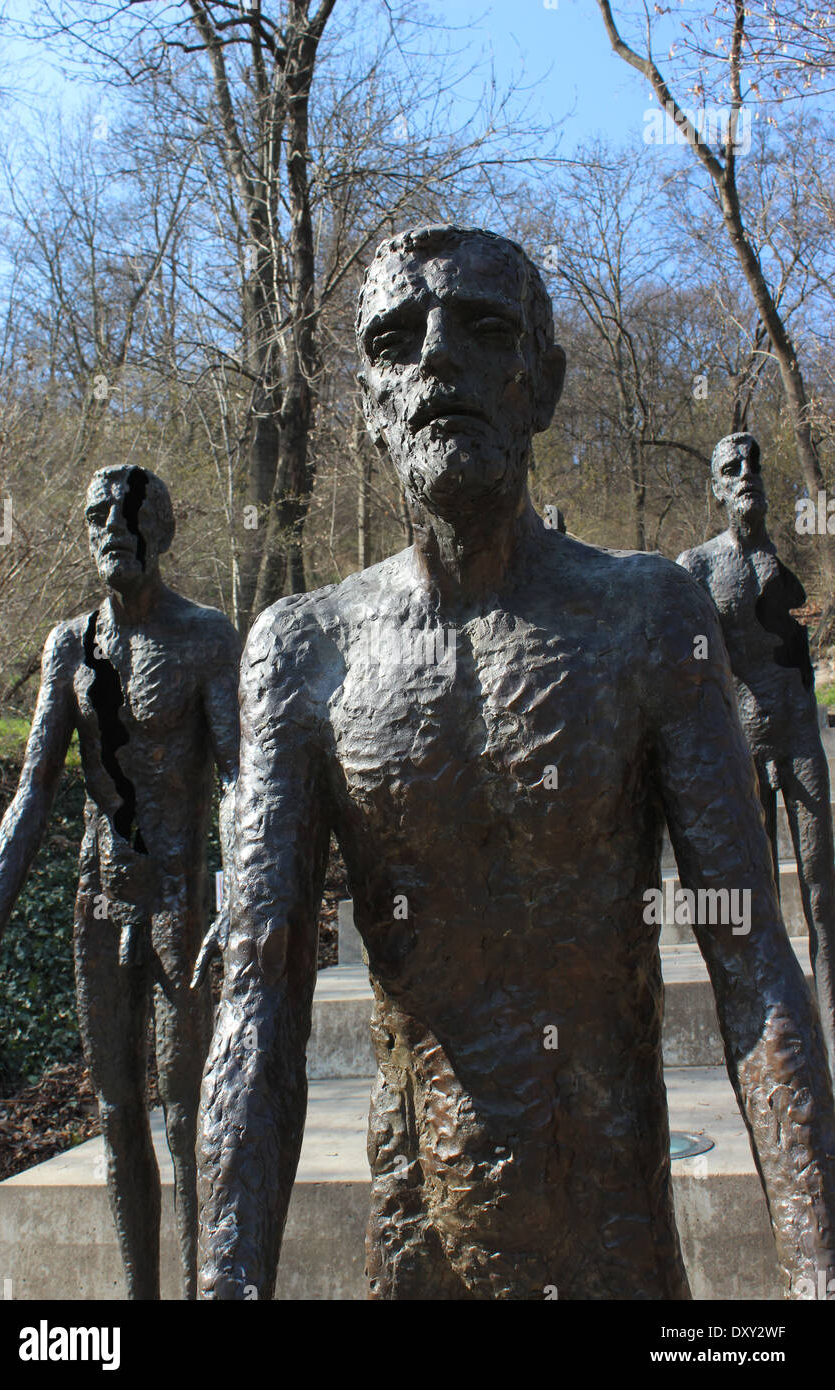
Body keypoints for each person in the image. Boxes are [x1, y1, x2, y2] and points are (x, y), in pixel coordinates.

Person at [198, 226, 835, 1300]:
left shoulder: (645, 616)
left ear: (540, 383)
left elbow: (751, 964)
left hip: (613, 1248)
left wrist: (815, 1273)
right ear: (366, 404)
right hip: (415, 1245)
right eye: (398, 341)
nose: (438, 358)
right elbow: (257, 1003)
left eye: (482, 329)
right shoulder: (302, 650)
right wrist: (225, 1286)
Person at [0, 465, 240, 1299]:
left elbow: (237, 779)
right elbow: (34, 790)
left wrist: (239, 897)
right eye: (96, 517)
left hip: (178, 905)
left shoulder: (205, 638)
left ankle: (205, 1289)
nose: (111, 530)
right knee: (118, 1114)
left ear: (157, 529)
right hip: (98, 901)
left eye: (126, 515)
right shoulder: (69, 645)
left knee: (187, 1114)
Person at [678, 433, 835, 1072]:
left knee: (823, 896)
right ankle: (782, 1053)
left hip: (799, 736)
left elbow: (805, 643)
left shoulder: (791, 558)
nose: (747, 476)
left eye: (753, 466)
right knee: (758, 910)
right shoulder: (697, 566)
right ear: (716, 487)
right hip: (740, 747)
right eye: (731, 469)